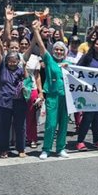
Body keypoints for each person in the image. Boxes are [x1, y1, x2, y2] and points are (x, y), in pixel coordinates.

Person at [30, 20, 69, 159]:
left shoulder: (69, 64)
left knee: (63, 124)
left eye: (61, 50)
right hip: (52, 96)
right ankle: (46, 149)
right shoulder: (49, 60)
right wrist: (35, 31)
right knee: (51, 124)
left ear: (65, 53)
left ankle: (61, 148)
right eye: (56, 49)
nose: (58, 51)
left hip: (66, 98)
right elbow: (41, 46)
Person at [0, 30, 28, 158]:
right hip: (3, 101)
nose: (12, 63)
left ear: (18, 61)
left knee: (20, 126)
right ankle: (3, 149)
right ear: (6, 61)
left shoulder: (20, 69)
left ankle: (21, 149)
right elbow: (0, 52)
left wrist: (24, 67)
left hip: (19, 101)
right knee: (4, 126)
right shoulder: (3, 68)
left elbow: (27, 79)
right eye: (10, 61)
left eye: (14, 61)